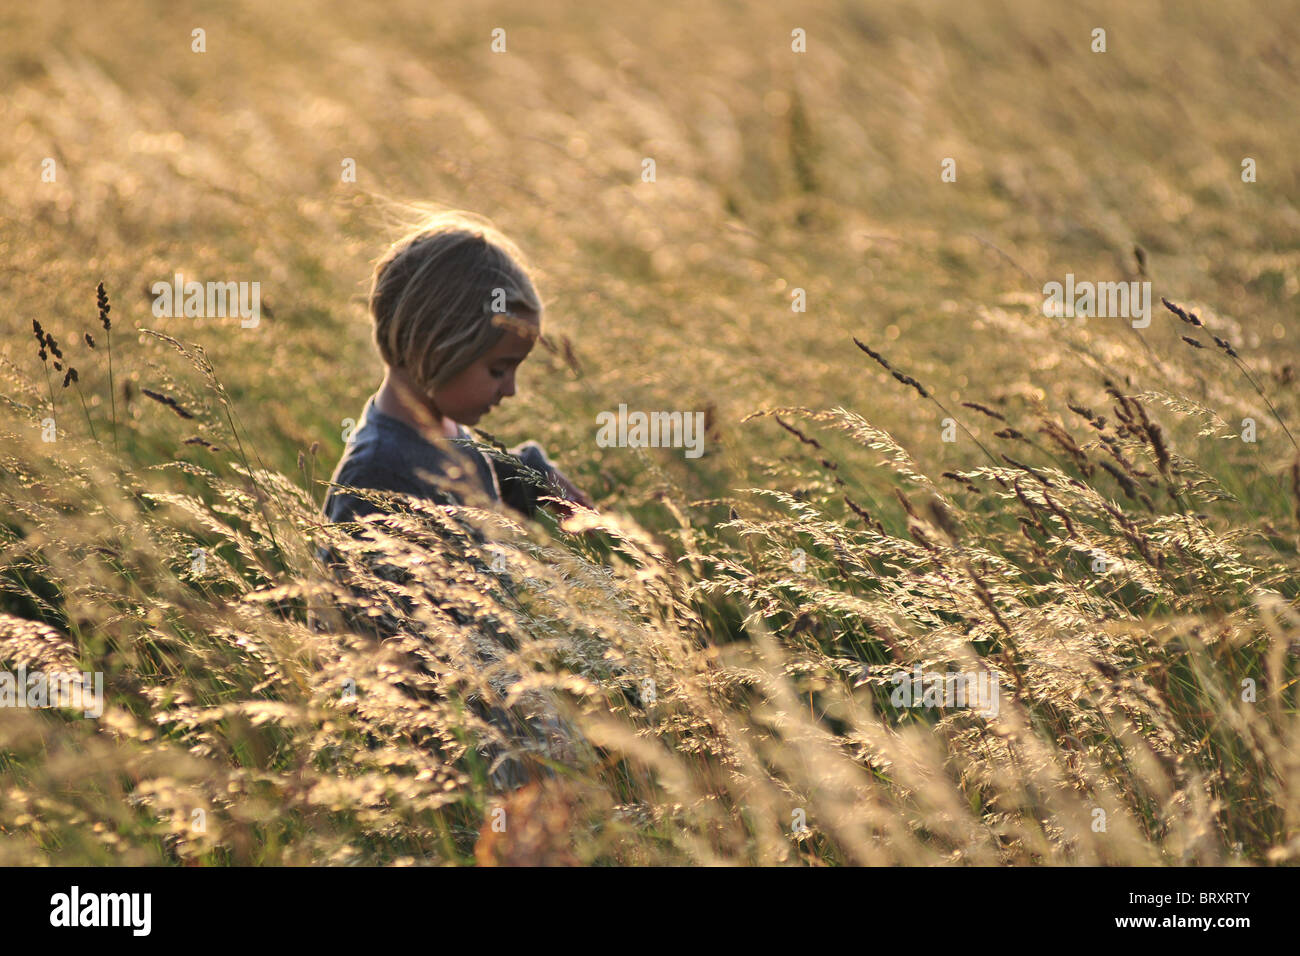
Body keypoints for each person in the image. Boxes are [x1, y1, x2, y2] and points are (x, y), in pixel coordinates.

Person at [317, 211, 594, 789]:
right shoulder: (376, 472)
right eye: (498, 369)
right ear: (438, 346)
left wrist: (533, 476)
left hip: (497, 711)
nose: (510, 390)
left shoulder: (441, 431)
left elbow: (467, 484)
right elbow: (372, 645)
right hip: (449, 754)